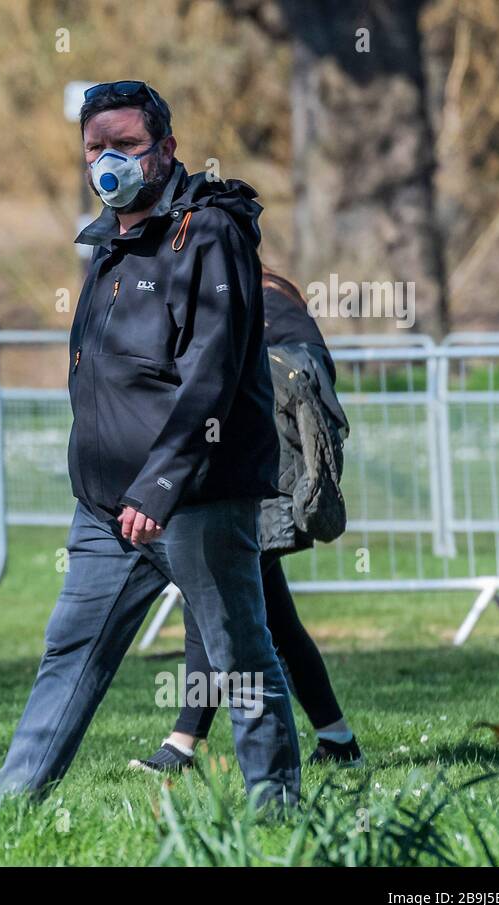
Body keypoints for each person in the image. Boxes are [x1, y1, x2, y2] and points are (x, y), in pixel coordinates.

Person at [0, 81, 300, 808]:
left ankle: (276, 807)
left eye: (125, 145)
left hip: (194, 501)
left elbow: (210, 374)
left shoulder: (209, 234)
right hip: (103, 510)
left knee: (240, 656)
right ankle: (9, 803)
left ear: (166, 149)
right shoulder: (109, 238)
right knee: (70, 651)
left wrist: (160, 486)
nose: (109, 160)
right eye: (96, 147)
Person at [130, 270, 363, 774]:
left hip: (265, 455)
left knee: (217, 596)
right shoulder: (268, 299)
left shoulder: (224, 292)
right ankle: (336, 737)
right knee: (262, 610)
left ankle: (184, 745)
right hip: (276, 451)